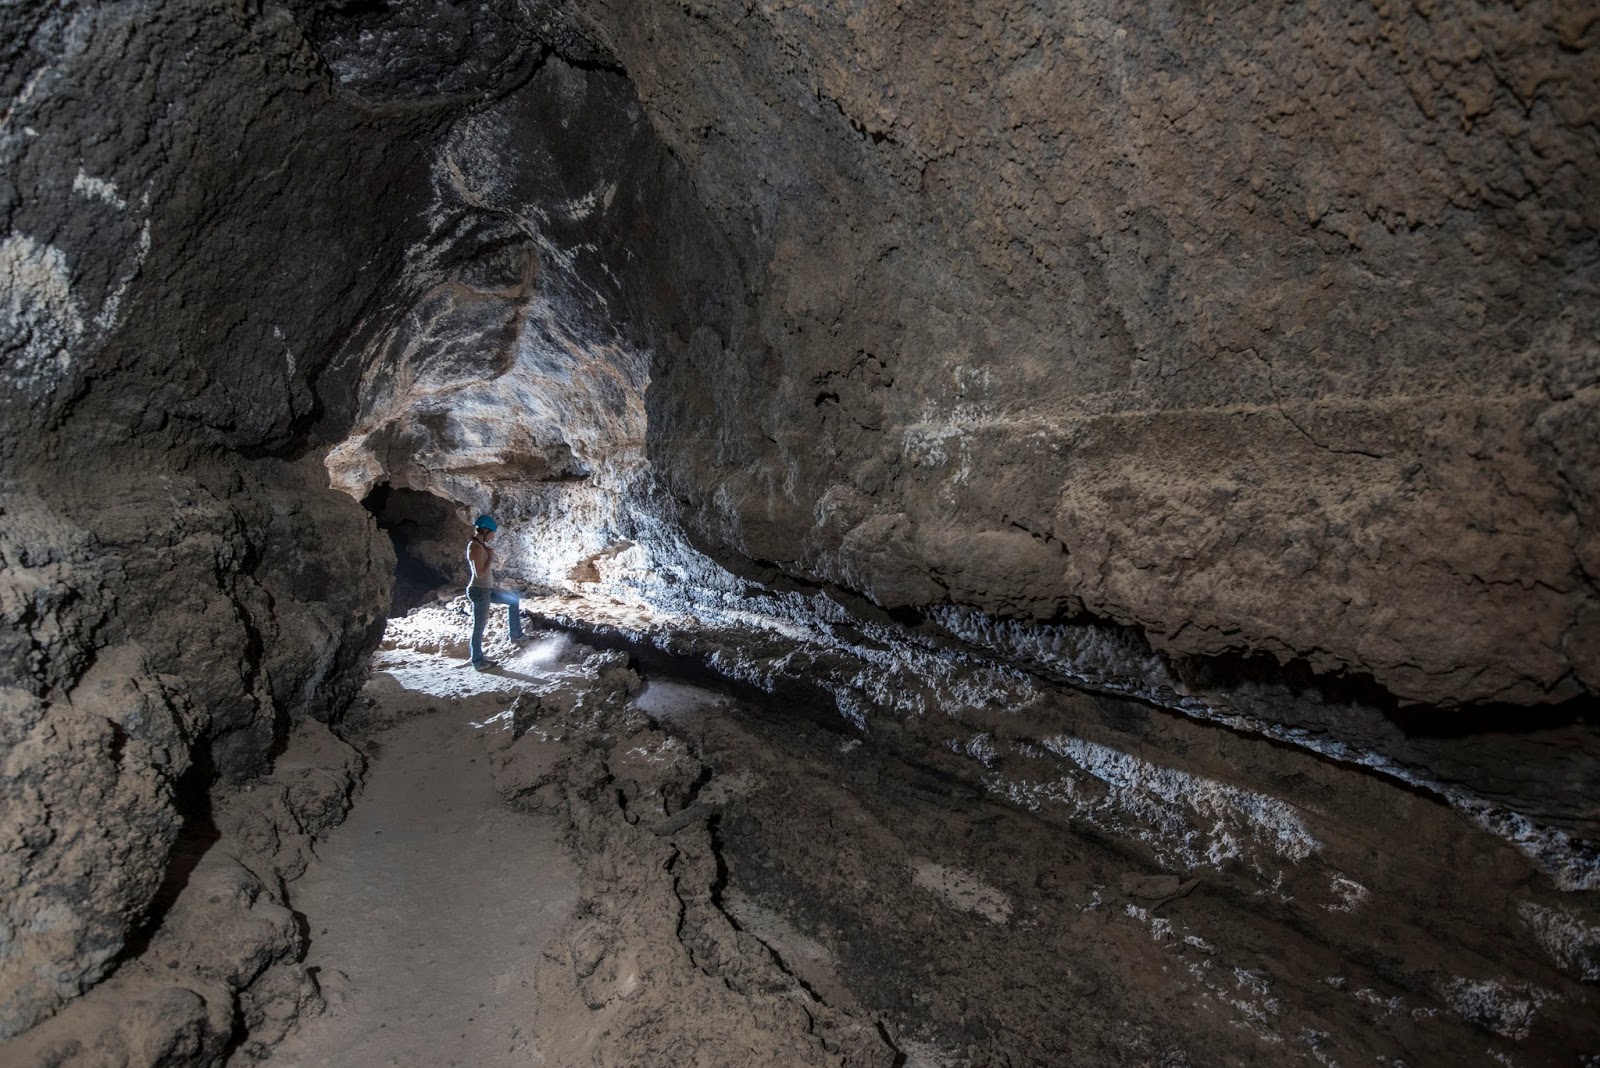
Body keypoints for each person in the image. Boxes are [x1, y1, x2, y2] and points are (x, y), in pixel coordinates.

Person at [466, 514, 526, 669]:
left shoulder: (481, 545)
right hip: (479, 591)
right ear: (485, 530)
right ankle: (478, 661)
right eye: (492, 533)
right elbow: (480, 573)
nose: (493, 536)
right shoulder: (475, 547)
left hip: (486, 589)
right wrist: (491, 558)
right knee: (479, 626)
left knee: (513, 600)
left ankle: (516, 635)